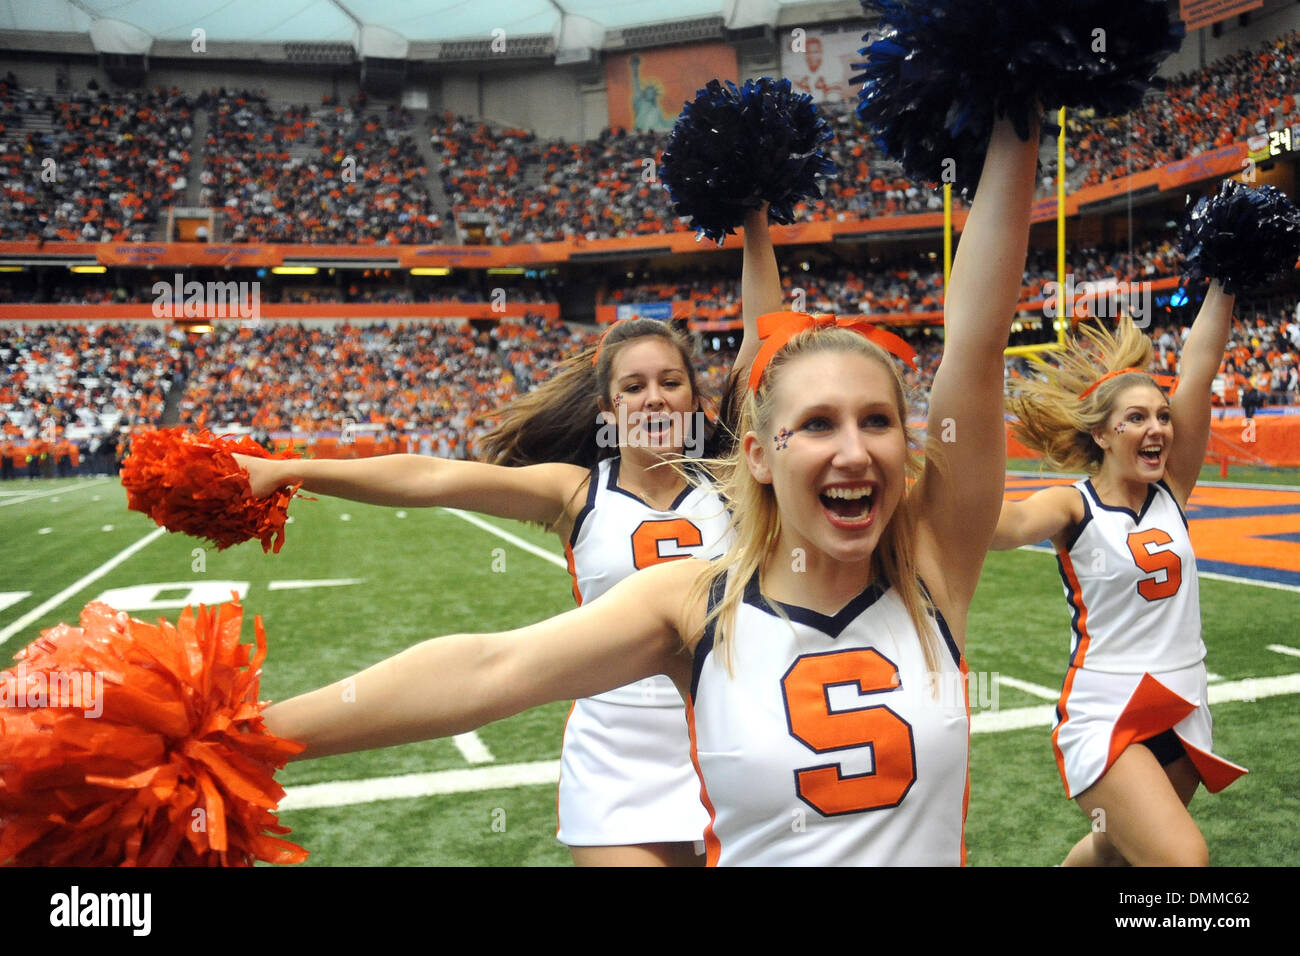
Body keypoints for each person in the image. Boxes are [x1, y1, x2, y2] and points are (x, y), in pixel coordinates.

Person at [261, 115, 1040, 865]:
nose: (853, 450)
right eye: (818, 425)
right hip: (628, 759)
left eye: (877, 420)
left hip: (704, 752)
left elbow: (974, 341)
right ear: (762, 455)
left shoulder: (928, 572)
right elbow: (487, 666)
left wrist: (1016, 109)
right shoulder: (684, 593)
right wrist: (239, 732)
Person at [236, 207, 779, 867]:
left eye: (671, 383)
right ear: (609, 411)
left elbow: (765, 340)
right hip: (619, 768)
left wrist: (752, 217)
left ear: (697, 402)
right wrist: (288, 468)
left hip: (739, 744)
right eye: (633, 387)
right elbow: (431, 476)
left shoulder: (730, 478)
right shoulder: (573, 491)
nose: (655, 398)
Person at [991, 290, 1247, 867]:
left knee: (1115, 853)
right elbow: (1003, 527)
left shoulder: (1172, 489)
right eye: (1136, 418)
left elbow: (1200, 366)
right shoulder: (1072, 506)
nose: (1156, 427)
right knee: (1183, 861)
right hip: (1108, 710)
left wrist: (1226, 278)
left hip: (1181, 703)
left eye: (1161, 415)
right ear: (1102, 435)